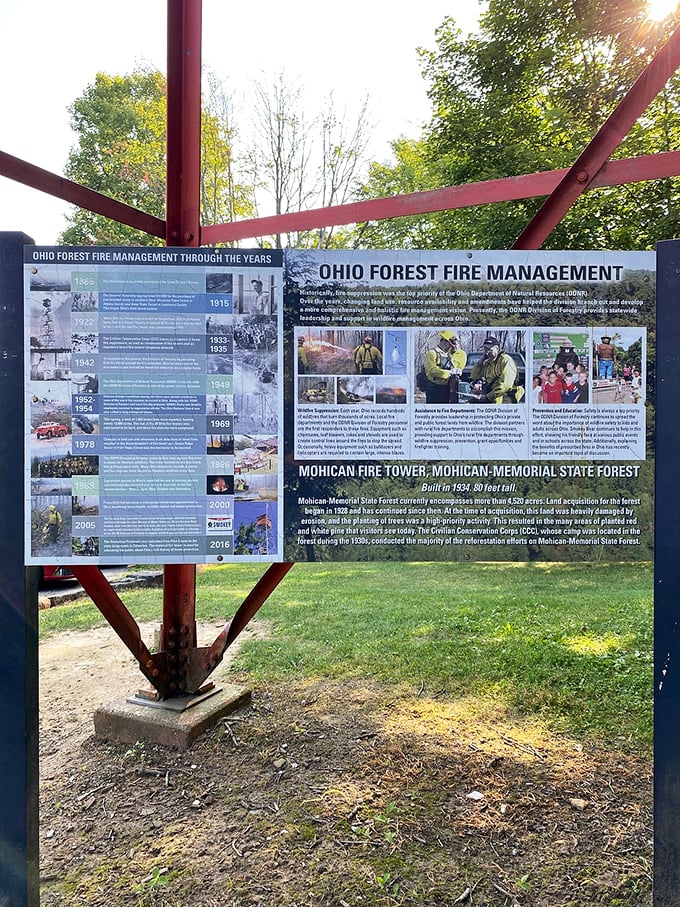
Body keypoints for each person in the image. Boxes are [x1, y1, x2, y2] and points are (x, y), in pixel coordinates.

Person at [470, 336, 525, 404]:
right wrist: (480, 361)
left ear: (497, 349)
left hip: (507, 394)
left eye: (489, 349)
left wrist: (487, 397)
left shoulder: (506, 360)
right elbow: (474, 376)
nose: (487, 352)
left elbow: (505, 385)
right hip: (492, 395)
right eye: (485, 349)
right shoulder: (487, 362)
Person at [423, 330, 467, 403]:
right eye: (450, 344)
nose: (451, 346)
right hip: (433, 388)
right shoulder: (432, 353)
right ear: (444, 341)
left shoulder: (448, 355)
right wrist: (449, 373)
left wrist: (457, 371)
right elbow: (432, 371)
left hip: (446, 387)